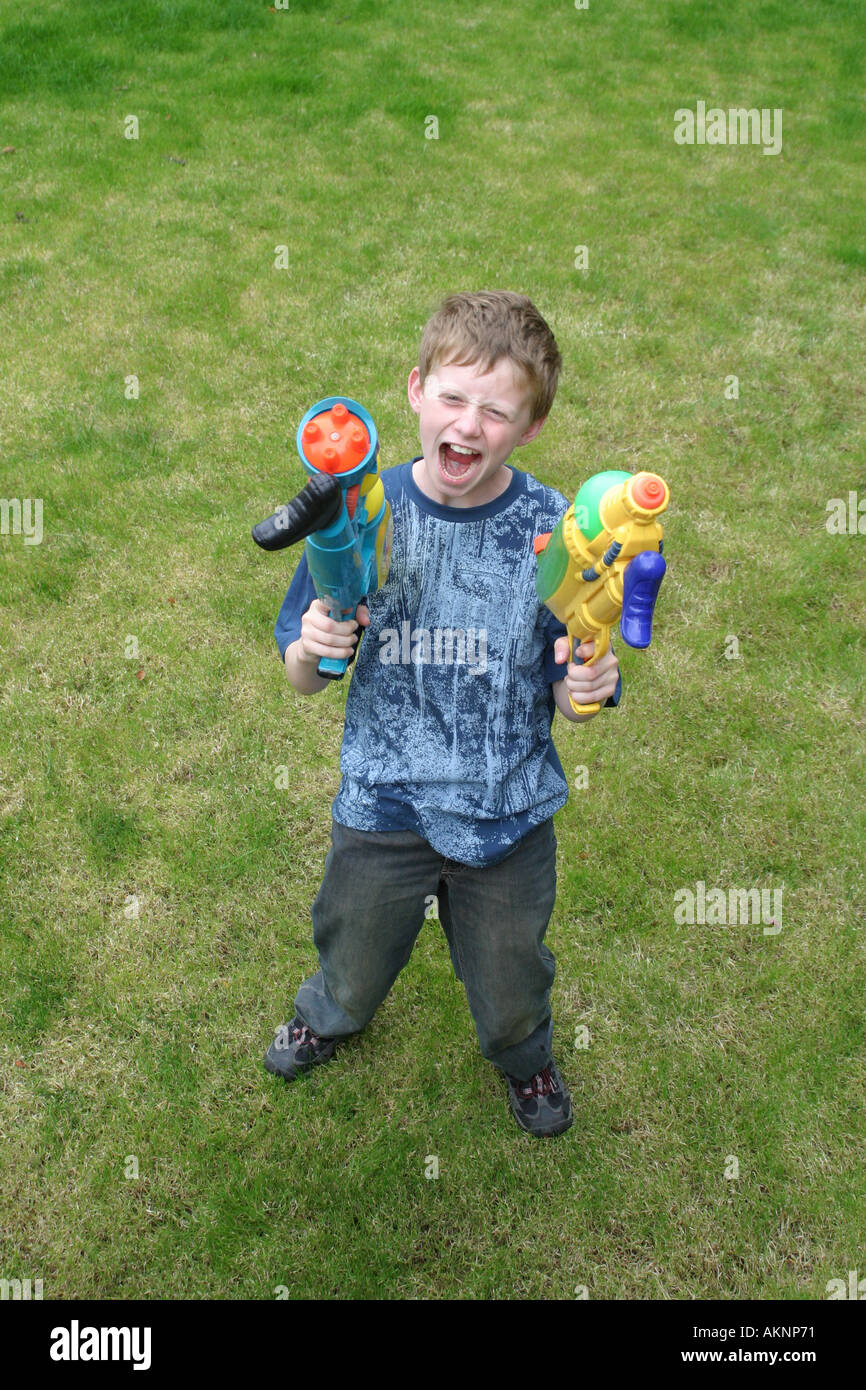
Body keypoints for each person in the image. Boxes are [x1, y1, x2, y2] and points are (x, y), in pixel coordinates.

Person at [264, 290, 621, 1137]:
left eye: (497, 412)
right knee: (353, 944)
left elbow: (570, 691)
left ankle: (523, 1056)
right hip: (383, 807)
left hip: (507, 814)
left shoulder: (552, 530)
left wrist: (584, 689)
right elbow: (305, 677)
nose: (469, 424)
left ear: (530, 427)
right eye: (454, 398)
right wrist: (314, 642)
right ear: (415, 390)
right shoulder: (356, 516)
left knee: (510, 977)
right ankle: (333, 1012)